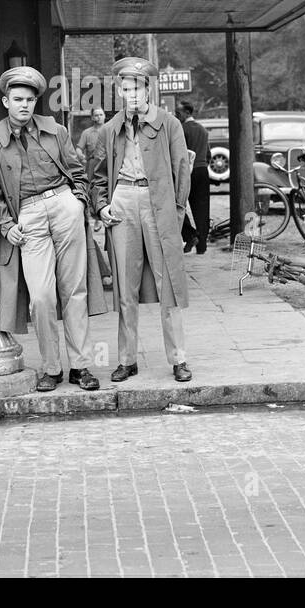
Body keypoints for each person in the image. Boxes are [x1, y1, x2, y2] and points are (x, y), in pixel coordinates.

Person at [0, 66, 100, 393]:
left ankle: (81, 367)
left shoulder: (56, 130)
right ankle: (51, 367)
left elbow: (78, 172)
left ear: (36, 102)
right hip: (29, 216)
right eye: (17, 99)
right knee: (41, 297)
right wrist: (6, 225)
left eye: (30, 99)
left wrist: (77, 201)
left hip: (64, 206)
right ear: (5, 101)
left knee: (75, 291)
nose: (24, 105)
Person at [90, 56, 192, 383]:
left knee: (169, 284)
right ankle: (126, 359)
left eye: (137, 87)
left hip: (157, 202)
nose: (131, 94)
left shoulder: (169, 123)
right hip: (122, 199)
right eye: (125, 88)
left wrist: (175, 214)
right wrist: (101, 205)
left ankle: (178, 359)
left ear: (148, 89)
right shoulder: (110, 128)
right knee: (124, 286)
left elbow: (182, 171)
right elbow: (97, 174)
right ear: (119, 91)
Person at [175, 100, 210, 254]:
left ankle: (190, 234)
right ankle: (202, 246)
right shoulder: (203, 130)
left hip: (187, 172)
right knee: (202, 208)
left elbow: (179, 153)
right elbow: (208, 153)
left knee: (176, 204)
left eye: (179, 113)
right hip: (202, 170)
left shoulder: (182, 129)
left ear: (187, 113)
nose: (177, 115)